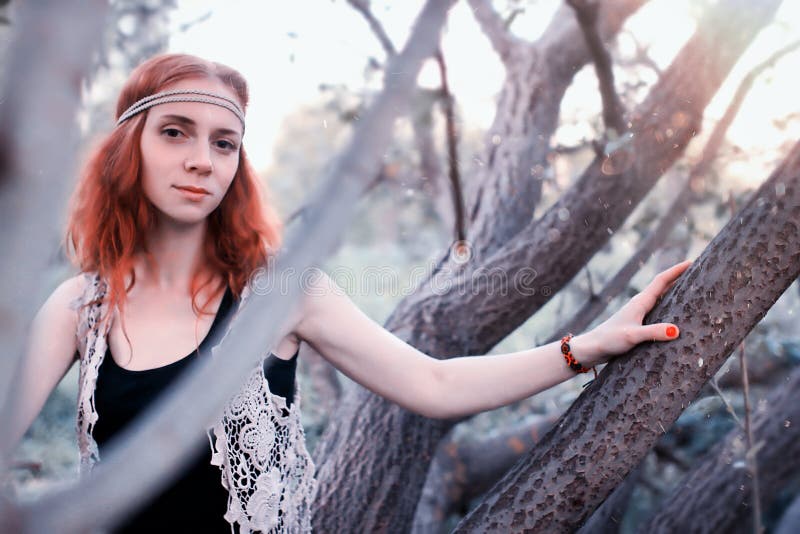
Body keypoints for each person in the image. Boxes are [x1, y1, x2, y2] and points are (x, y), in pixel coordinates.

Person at [9, 53, 690, 533]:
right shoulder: (80, 309)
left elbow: (434, 383)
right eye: (175, 133)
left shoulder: (280, 294)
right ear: (129, 148)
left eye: (224, 143)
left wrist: (586, 348)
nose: (201, 160)